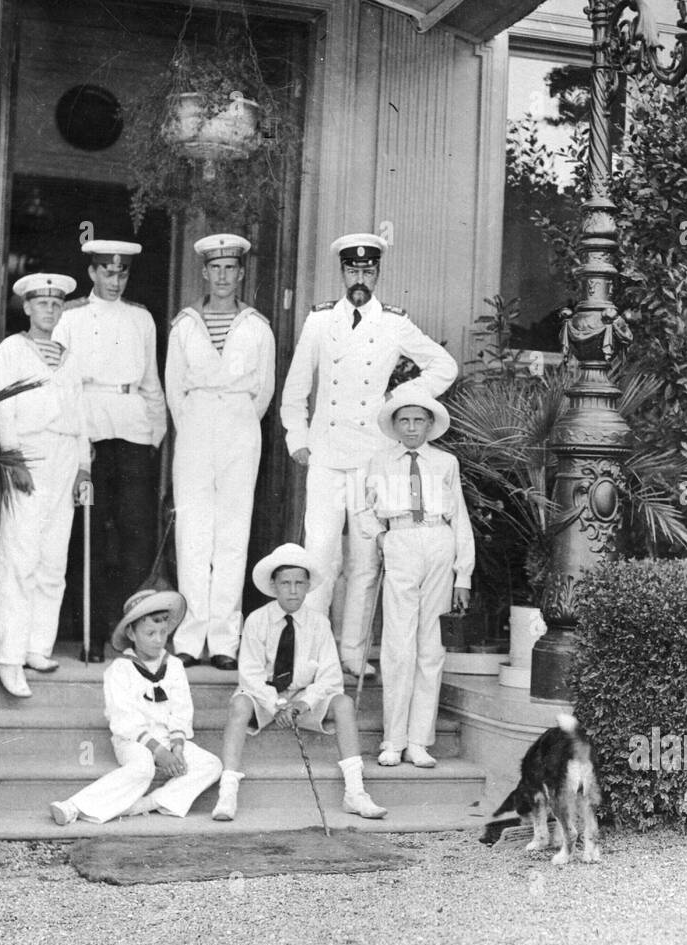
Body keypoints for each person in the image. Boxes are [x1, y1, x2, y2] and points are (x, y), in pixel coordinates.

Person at [280, 232, 458, 678]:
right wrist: (295, 436)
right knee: (319, 553)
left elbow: (443, 366)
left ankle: (351, 655)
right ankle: (311, 652)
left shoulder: (394, 323)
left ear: (378, 273)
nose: (360, 279)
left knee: (363, 559)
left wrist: (400, 397)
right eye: (352, 270)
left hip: (370, 459)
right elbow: (296, 385)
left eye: (368, 271)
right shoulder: (320, 320)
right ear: (342, 272)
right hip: (324, 453)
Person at [211, 543, 386, 823]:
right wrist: (277, 704)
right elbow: (250, 675)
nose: (293, 590)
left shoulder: (319, 624)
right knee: (239, 704)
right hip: (266, 700)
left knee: (343, 704)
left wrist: (304, 703)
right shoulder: (257, 621)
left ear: (307, 586)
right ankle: (227, 791)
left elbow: (330, 676)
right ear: (274, 586)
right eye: (286, 583)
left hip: (302, 701)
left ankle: (355, 792)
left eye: (299, 583)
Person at [165, 233, 275, 671]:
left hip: (239, 422)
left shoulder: (257, 327)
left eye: (231, 268)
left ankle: (225, 639)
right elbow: (175, 388)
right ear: (205, 272)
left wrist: (238, 420)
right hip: (195, 424)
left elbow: (264, 390)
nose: (223, 276)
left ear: (241, 273)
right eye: (216, 268)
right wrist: (194, 421)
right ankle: (191, 637)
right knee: (192, 530)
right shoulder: (185, 325)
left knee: (232, 532)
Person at [55, 239, 166, 662]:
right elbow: (64, 385)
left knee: (135, 535)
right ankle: (93, 632)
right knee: (91, 535)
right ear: (92, 273)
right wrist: (75, 442)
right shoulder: (71, 318)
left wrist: (155, 433)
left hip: (133, 429)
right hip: (89, 429)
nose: (114, 280)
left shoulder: (141, 318)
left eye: (121, 273)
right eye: (106, 272)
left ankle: (133, 632)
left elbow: (151, 380)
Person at [357, 388, 474, 768]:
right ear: (394, 425)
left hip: (439, 541)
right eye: (404, 420)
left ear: (429, 424)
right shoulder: (379, 461)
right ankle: (393, 739)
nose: (411, 427)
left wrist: (463, 576)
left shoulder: (445, 463)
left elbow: (461, 520)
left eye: (417, 420)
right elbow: (363, 510)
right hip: (401, 539)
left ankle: (419, 740)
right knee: (397, 643)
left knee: (431, 646)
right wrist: (381, 537)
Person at [0, 272, 89, 699]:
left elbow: (82, 415)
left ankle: (36, 646)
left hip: (65, 456)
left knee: (53, 558)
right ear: (26, 307)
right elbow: (0, 406)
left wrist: (84, 468)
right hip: (29, 452)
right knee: (21, 554)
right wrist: (13, 455)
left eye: (56, 304)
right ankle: (8, 655)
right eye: (41, 303)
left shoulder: (69, 355)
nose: (49, 310)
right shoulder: (13, 349)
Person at [49, 589, 222, 825]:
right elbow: (123, 719)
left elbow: (181, 711)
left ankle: (147, 803)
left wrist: (177, 747)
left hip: (168, 737)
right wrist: (159, 752)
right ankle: (74, 806)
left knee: (211, 764)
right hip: (134, 740)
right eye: (150, 633)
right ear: (131, 632)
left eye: (163, 632)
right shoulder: (120, 670)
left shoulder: (174, 666)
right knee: (143, 768)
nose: (158, 639)